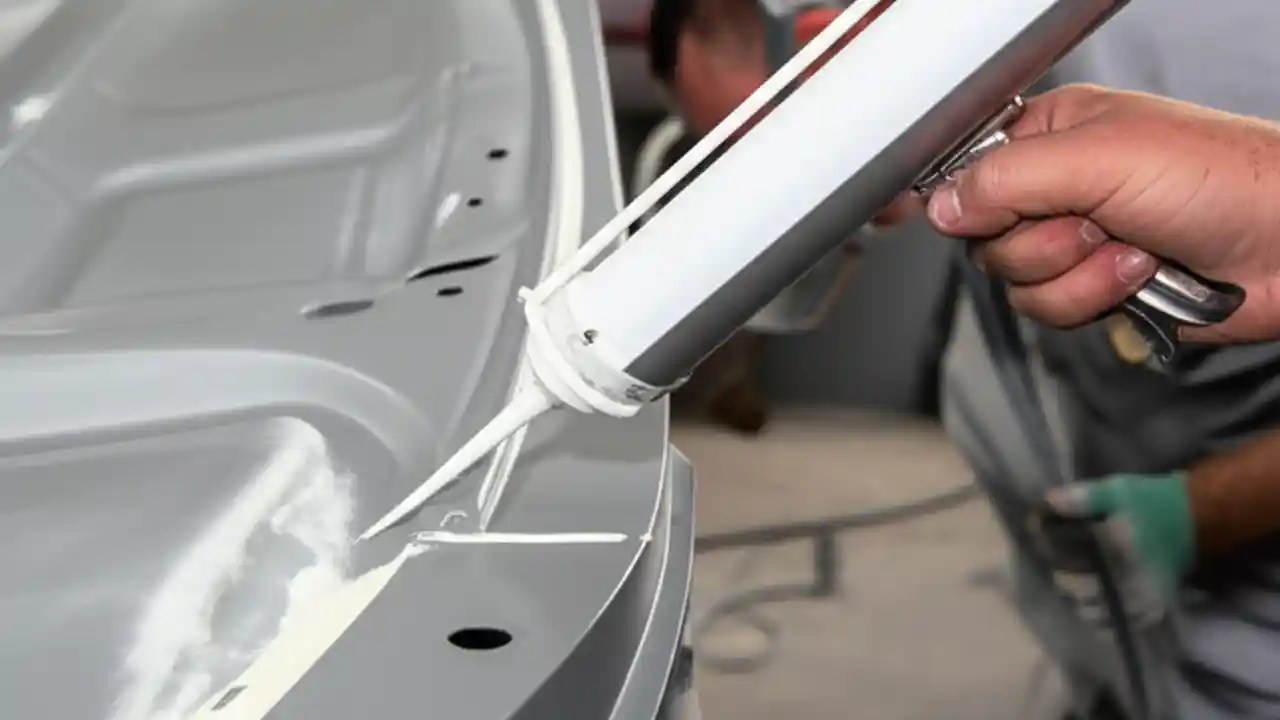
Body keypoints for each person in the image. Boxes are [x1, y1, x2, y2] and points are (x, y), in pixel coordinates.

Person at [649, 0, 1280, 717]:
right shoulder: (979, 110)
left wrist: (1198, 513)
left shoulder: (1220, 58)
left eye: (775, 153)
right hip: (1151, 661)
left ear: (830, 37)